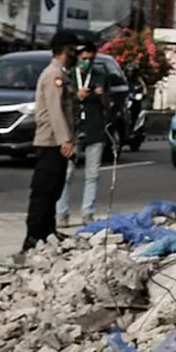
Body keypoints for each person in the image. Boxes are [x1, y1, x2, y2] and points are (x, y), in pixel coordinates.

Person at [24, 31, 82, 252]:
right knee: (43, 191)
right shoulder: (52, 75)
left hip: (56, 142)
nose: (76, 53)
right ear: (64, 49)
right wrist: (65, 140)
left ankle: (48, 232)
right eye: (73, 49)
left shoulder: (62, 74)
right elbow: (56, 111)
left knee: (54, 190)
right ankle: (33, 236)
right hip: (50, 142)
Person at [59, 42, 112, 225]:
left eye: (90, 59)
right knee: (66, 174)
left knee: (92, 174)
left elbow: (108, 105)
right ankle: (62, 212)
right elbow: (62, 101)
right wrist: (77, 95)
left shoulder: (100, 76)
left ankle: (87, 212)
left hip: (94, 129)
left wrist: (101, 94)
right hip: (72, 130)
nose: (86, 63)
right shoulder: (67, 76)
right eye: (84, 59)